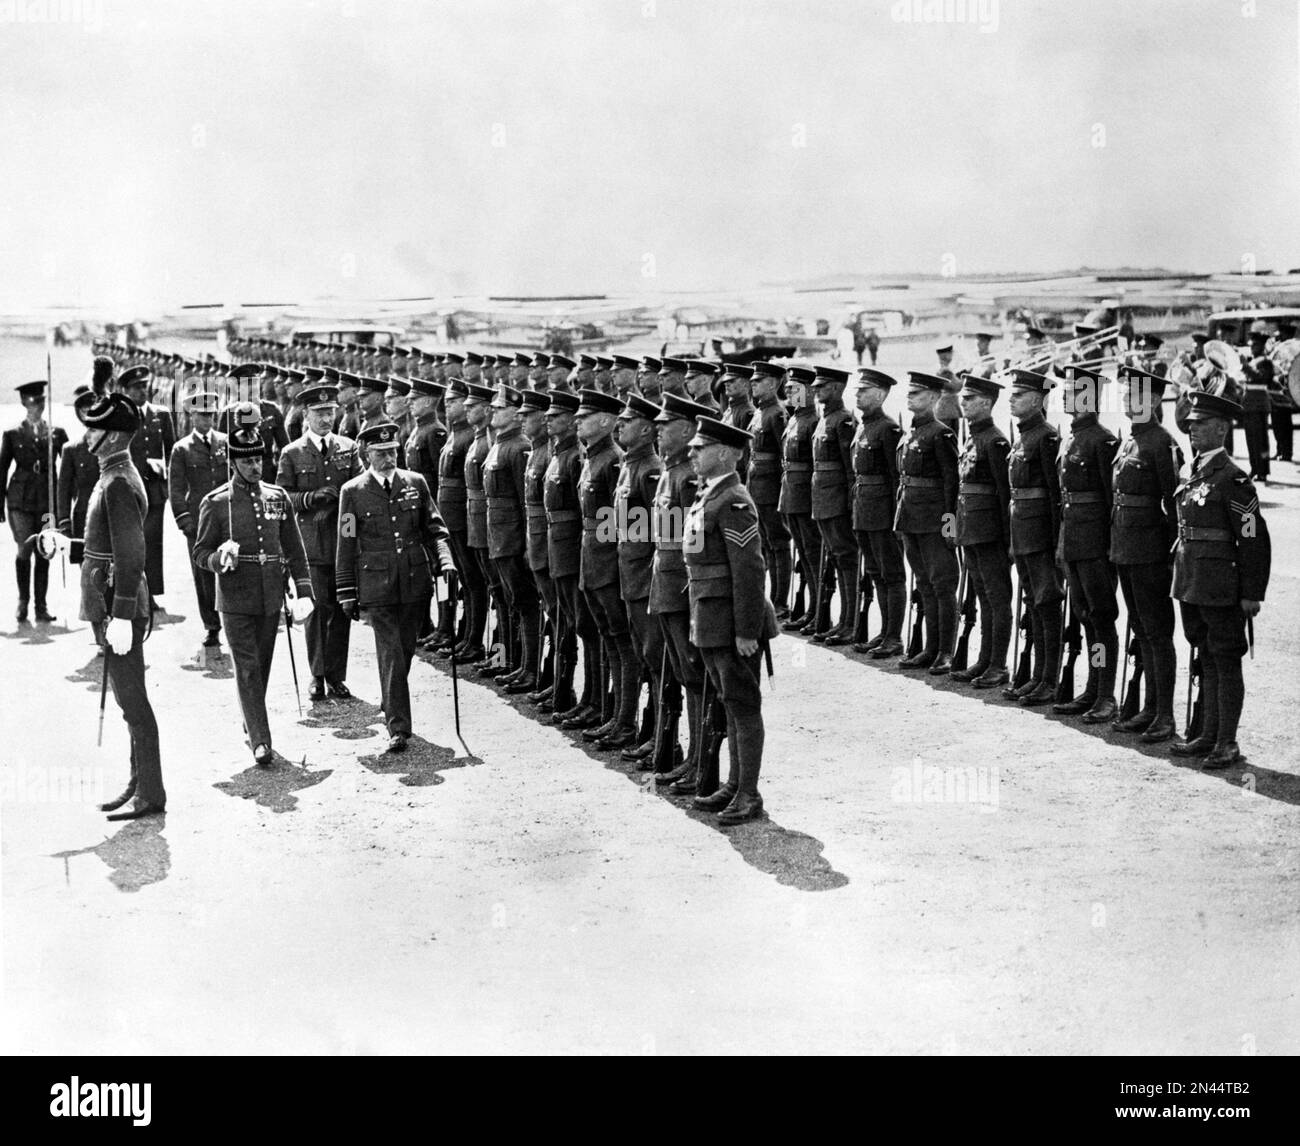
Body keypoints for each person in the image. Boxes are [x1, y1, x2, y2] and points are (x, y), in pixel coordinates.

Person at [193, 427, 314, 765]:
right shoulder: (216, 503)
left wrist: (304, 591)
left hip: (270, 596)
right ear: (233, 463)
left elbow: (294, 548)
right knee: (246, 668)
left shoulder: (277, 497)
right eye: (246, 461)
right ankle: (262, 742)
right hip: (234, 598)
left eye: (258, 459)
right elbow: (200, 553)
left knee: (260, 667)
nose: (254, 467)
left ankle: (251, 722)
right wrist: (219, 558)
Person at [682, 416, 779, 825]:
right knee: (729, 701)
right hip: (709, 614)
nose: (692, 452)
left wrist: (745, 630)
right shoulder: (710, 496)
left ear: (723, 453)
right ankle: (735, 784)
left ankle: (749, 793)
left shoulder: (735, 500)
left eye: (699, 448)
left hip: (730, 620)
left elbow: (749, 570)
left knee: (743, 704)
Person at [336, 422, 452, 752]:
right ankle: (398, 726)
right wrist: (346, 590)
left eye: (392, 452)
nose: (388, 458)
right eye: (381, 453)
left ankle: (391, 701)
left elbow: (435, 529)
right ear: (366, 454)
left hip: (415, 583)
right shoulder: (352, 492)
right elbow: (346, 543)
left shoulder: (416, 483)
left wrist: (446, 561)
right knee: (390, 650)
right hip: (376, 585)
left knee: (402, 650)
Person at [1169, 391, 1271, 769]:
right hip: (1193, 580)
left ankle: (1227, 742)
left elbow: (1252, 538)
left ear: (1221, 429)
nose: (1191, 429)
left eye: (1200, 425)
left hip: (1221, 584)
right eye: (1191, 424)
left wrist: (1251, 592)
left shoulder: (1234, 478)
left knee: (1226, 659)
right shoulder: (1190, 470)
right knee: (1205, 656)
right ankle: (1207, 735)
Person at [1110, 365, 1183, 740]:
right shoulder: (1129, 440)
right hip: (1125, 549)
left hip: (1151, 552)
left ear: (1154, 400)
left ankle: (1165, 715)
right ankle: (1149, 708)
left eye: (1134, 395)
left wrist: (1171, 555)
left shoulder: (1162, 442)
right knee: (1140, 630)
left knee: (1157, 633)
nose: (1127, 400)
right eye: (1124, 395)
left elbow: (1175, 506)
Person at [276, 383, 362, 699]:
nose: (326, 419)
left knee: (342, 609)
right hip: (309, 545)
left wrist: (343, 510)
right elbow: (282, 497)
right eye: (319, 413)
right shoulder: (292, 453)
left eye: (330, 412)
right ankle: (317, 674)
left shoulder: (349, 448)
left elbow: (360, 488)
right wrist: (311, 498)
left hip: (343, 542)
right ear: (306, 414)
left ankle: (337, 675)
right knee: (314, 610)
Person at [1051, 365, 1121, 723]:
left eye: (1072, 390)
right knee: (1084, 617)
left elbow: (1111, 501)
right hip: (1073, 542)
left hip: (1095, 544)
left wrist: (1110, 548)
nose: (1064, 396)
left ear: (1088, 398)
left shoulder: (1102, 440)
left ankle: (1106, 694)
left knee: (1102, 617)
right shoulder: (1071, 437)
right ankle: (1092, 688)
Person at [650, 393, 710, 791]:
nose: (658, 430)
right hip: (664, 579)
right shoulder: (671, 472)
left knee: (694, 676)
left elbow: (697, 542)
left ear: (687, 430)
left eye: (665, 426)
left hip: (681, 583)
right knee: (682, 674)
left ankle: (700, 761)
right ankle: (690, 758)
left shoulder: (687, 477)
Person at [575, 388, 638, 748]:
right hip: (592, 559)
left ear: (605, 422)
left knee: (621, 642)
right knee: (607, 639)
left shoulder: (613, 461)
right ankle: (613, 715)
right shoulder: (593, 458)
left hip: (610, 564)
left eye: (585, 418)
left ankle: (625, 721)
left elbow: (624, 523)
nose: (578, 422)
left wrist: (616, 565)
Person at [1003, 369, 1063, 705]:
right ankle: (1037, 676)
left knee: (1046, 603)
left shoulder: (1046, 437)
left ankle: (1049, 678)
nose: (1011, 399)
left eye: (1018, 395)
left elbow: (1055, 496)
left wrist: (1057, 542)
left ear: (1038, 400)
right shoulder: (1021, 434)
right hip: (1022, 533)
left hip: (1040, 535)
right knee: (1032, 605)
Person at [894, 372, 960, 672]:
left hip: (934, 522)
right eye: (909, 394)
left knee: (942, 585)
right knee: (923, 585)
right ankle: (929, 648)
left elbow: (951, 484)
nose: (910, 398)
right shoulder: (910, 433)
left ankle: (946, 652)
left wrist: (949, 528)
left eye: (916, 394)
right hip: (910, 519)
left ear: (933, 398)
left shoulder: (941, 433)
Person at [544, 390, 601, 726]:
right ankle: (581, 696)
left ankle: (597, 700)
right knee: (576, 623)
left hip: (585, 553)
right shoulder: (563, 455)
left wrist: (604, 557)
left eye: (557, 416)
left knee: (591, 629)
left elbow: (608, 521)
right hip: (566, 548)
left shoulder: (585, 458)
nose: (550, 420)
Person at [952, 373, 1012, 687]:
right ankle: (985, 661)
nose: (963, 403)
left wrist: (1008, 541)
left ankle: (998, 665)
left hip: (990, 534)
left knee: (997, 598)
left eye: (969, 399)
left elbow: (1006, 496)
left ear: (986, 403)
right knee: (984, 600)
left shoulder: (996, 440)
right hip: (970, 530)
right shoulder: (971, 437)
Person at [612, 393, 664, 761]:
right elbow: (617, 526)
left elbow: (663, 533)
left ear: (646, 430)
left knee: (657, 662)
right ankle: (645, 730)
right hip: (627, 573)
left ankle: (662, 738)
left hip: (645, 578)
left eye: (627, 422)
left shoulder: (649, 470)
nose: (619, 426)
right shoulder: (629, 465)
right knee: (644, 659)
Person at [483, 384, 540, 693]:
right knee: (511, 602)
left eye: (500, 408)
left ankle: (530, 670)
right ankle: (513, 663)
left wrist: (526, 545)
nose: (494, 411)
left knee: (527, 605)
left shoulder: (518, 448)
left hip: (513, 540)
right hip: (499, 538)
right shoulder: (500, 444)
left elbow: (525, 503)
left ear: (516, 417)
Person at [1, 380, 69, 622]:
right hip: (19, 500)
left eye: (41, 401)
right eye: (32, 402)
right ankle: (23, 603)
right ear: (23, 403)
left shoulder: (57, 433)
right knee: (24, 548)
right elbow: (2, 470)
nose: (37, 407)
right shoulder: (12, 434)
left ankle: (41, 606)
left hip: (46, 500)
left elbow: (69, 466)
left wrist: (65, 503)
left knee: (44, 550)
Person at [850, 368, 906, 657]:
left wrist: (897, 518)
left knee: (892, 574)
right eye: (858, 390)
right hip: (863, 509)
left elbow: (897, 478)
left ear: (881, 395)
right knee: (875, 573)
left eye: (864, 390)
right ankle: (884, 632)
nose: (858, 394)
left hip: (883, 511)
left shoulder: (888, 428)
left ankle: (894, 637)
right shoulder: (862, 427)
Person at [168, 390, 228, 648]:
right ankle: (212, 626)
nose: (209, 419)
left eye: (212, 414)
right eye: (203, 415)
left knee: (230, 567)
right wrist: (184, 522)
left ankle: (234, 621)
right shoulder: (181, 449)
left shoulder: (226, 442)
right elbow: (176, 489)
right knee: (203, 575)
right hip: (198, 520)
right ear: (192, 416)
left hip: (226, 517)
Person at [119, 364, 177, 613]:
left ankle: (151, 594)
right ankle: (131, 594)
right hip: (128, 489)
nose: (141, 391)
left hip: (153, 490)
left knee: (152, 542)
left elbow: (172, 450)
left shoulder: (160, 414)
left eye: (144, 386)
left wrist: (167, 475)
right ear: (126, 390)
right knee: (130, 543)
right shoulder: (120, 416)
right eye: (135, 388)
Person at [808, 366, 857, 644]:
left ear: (837, 388)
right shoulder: (825, 418)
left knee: (847, 560)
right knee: (837, 560)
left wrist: (850, 503)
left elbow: (850, 469)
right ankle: (842, 621)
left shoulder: (843, 421)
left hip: (837, 499)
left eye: (822, 387)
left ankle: (850, 623)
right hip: (823, 498)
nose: (816, 391)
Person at [433, 379, 480, 659]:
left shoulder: (466, 439)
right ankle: (447, 627)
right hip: (446, 519)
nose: (447, 406)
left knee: (472, 581)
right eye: (447, 402)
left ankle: (471, 637)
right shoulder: (455, 434)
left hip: (462, 519)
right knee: (449, 576)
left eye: (453, 402)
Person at [779, 365, 824, 635]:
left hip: (806, 496)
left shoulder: (813, 421)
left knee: (812, 553)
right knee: (804, 555)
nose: (790, 393)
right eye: (788, 389)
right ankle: (810, 610)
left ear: (809, 391)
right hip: (791, 494)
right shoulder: (794, 419)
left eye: (796, 389)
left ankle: (819, 610)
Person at [745, 361, 792, 619]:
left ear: (773, 384)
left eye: (758, 381)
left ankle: (780, 600)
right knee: (765, 544)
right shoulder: (758, 412)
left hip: (771, 487)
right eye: (752, 381)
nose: (753, 384)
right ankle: (771, 599)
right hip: (756, 487)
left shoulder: (777, 414)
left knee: (779, 542)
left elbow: (784, 456)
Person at [57, 384, 101, 567]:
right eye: (84, 411)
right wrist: (65, 524)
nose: (89, 414)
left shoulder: (114, 443)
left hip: (112, 518)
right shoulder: (72, 450)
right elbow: (63, 490)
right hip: (83, 520)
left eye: (93, 409)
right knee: (88, 575)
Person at [1239, 321, 1273, 483]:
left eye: (1255, 346)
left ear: (1261, 346)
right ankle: (1254, 467)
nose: (1252, 348)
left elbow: (1262, 378)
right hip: (1249, 406)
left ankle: (1263, 470)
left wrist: (1245, 367)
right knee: (1251, 440)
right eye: (1251, 345)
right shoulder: (1252, 362)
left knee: (1261, 440)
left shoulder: (1266, 362)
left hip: (1259, 405)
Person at [1267, 320, 1297, 463]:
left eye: (1280, 336)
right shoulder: (1279, 349)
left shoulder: (1293, 350)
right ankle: (1280, 450)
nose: (1278, 338)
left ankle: (1286, 452)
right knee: (1277, 422)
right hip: (1275, 390)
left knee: (1284, 423)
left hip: (1286, 390)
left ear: (1287, 335)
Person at [933, 345, 962, 433]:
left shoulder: (941, 369)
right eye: (950, 353)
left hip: (945, 411)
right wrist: (966, 376)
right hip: (947, 412)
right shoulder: (945, 371)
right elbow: (957, 387)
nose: (952, 356)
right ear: (945, 355)